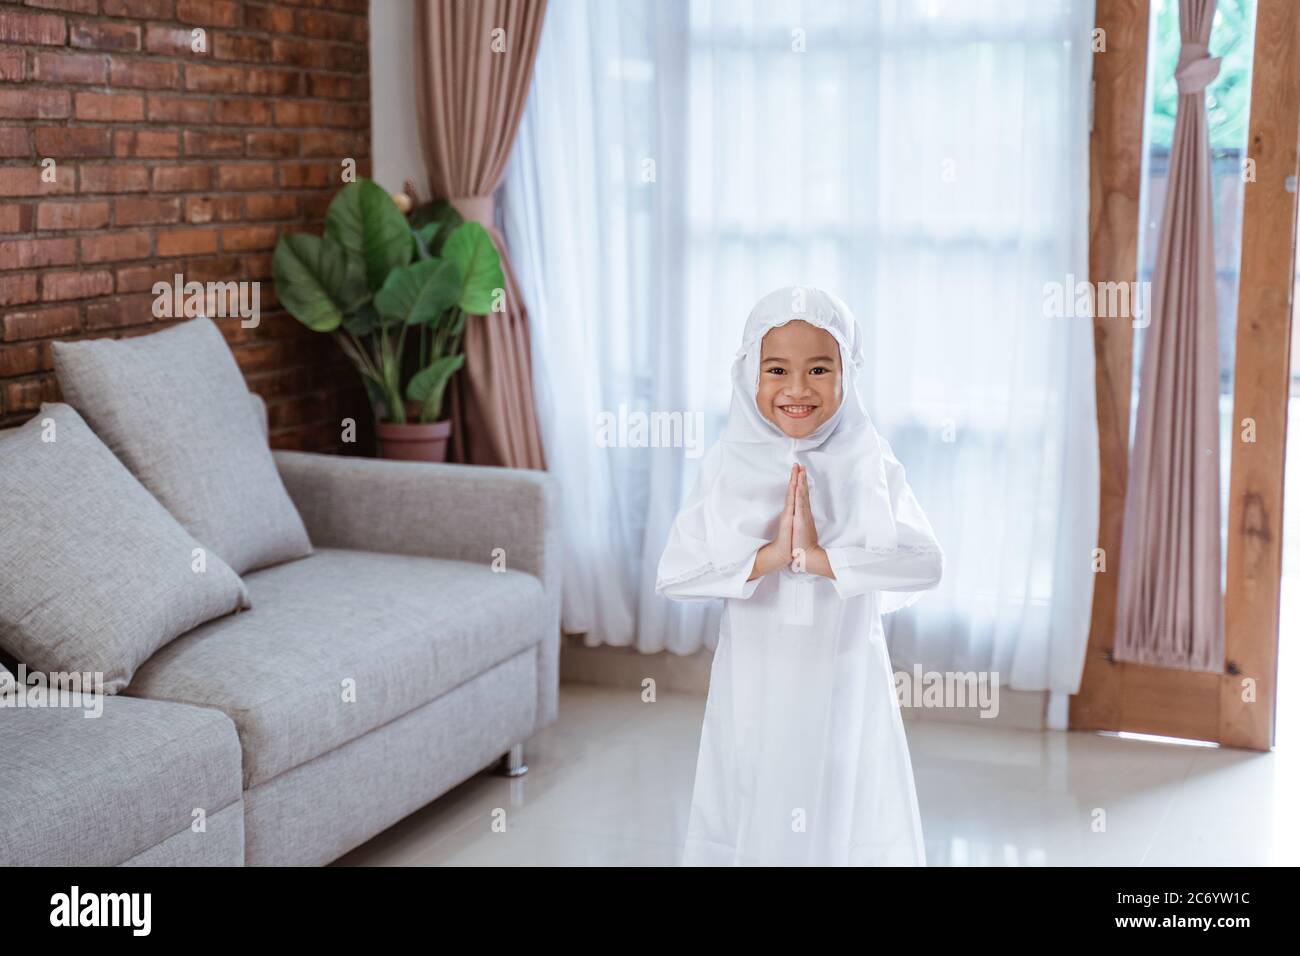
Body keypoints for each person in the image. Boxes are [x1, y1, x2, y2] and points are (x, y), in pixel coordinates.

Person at [655, 286, 944, 866]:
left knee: (839, 802)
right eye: (776, 369)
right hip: (755, 679)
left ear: (847, 374)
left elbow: (925, 563)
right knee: (754, 795)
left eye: (819, 368)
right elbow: (676, 575)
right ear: (749, 374)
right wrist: (771, 555)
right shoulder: (728, 462)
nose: (796, 389)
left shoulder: (867, 459)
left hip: (842, 677)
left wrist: (818, 559)